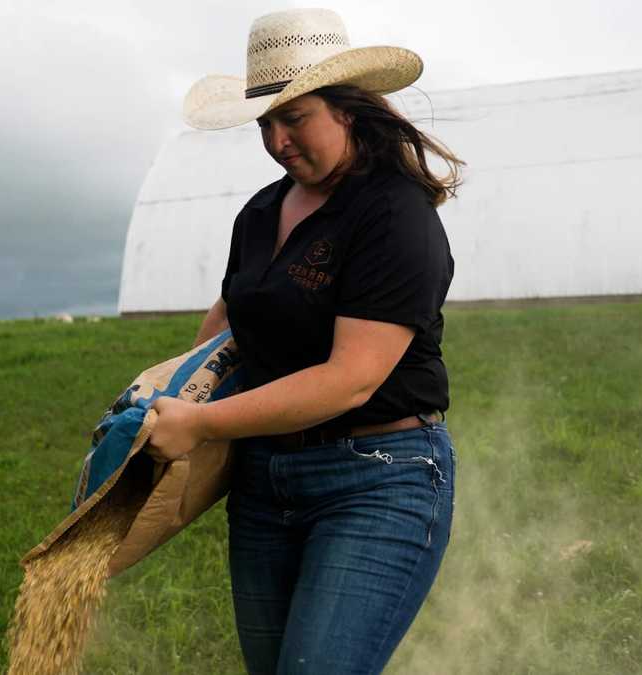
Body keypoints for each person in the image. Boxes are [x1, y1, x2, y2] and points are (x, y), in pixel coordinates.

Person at [146, 8, 464, 674]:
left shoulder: (392, 213)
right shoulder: (261, 212)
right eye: (266, 122)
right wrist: (167, 395)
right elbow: (232, 319)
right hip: (264, 483)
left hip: (378, 474)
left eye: (297, 118)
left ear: (349, 110)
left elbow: (352, 377)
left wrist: (201, 423)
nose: (279, 140)